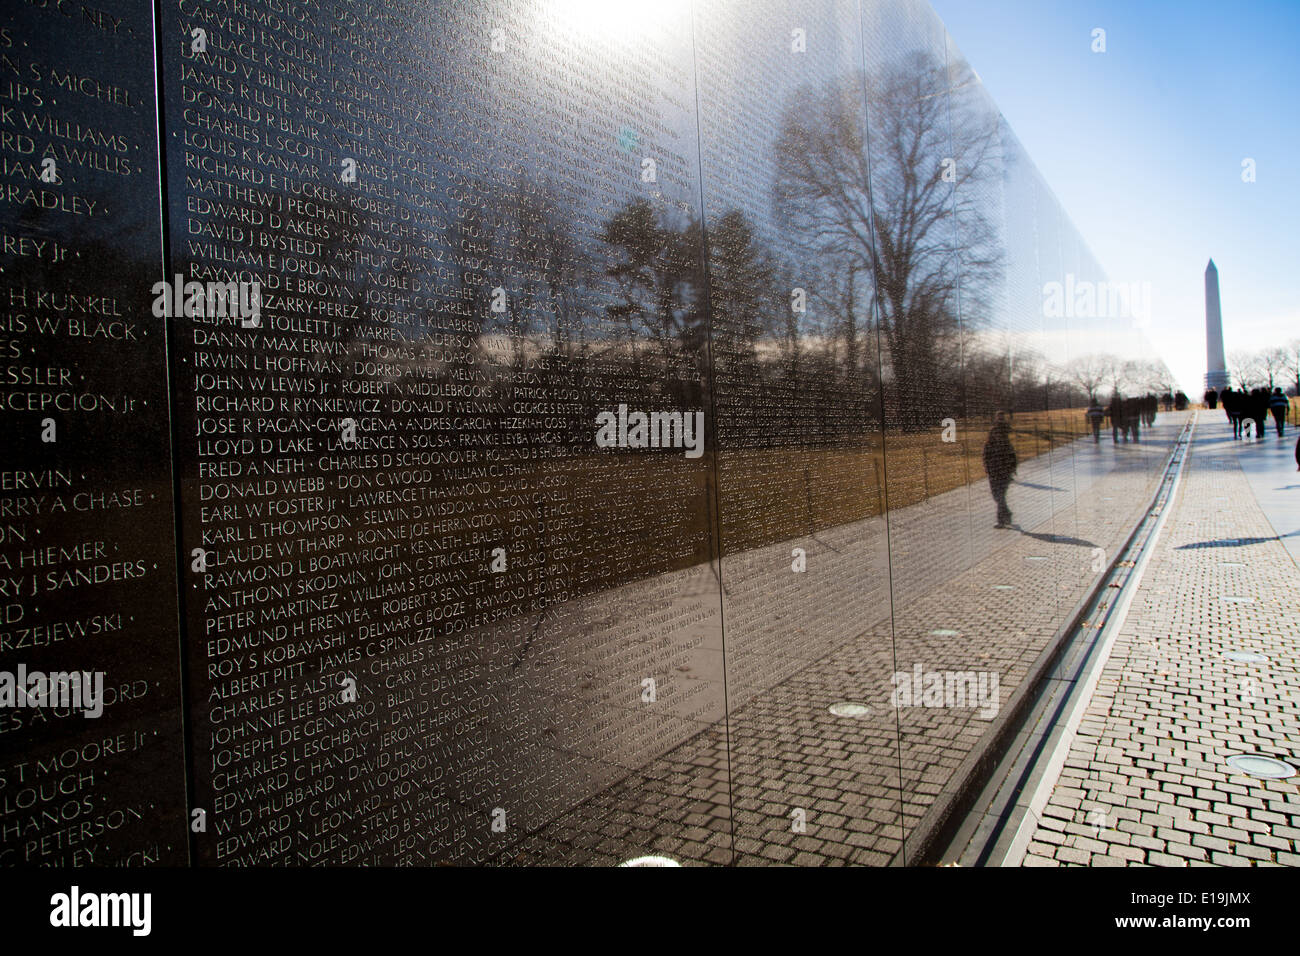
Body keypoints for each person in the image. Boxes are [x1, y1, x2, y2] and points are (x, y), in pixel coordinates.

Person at [983, 411, 1017, 528]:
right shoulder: (988, 445)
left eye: (999, 434)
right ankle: (1007, 513)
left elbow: (1013, 458)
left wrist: (1012, 470)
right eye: (995, 434)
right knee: (996, 495)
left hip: (1004, 473)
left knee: (1000, 495)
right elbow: (985, 457)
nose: (997, 436)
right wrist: (987, 469)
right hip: (993, 473)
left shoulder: (1006, 445)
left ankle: (1001, 520)